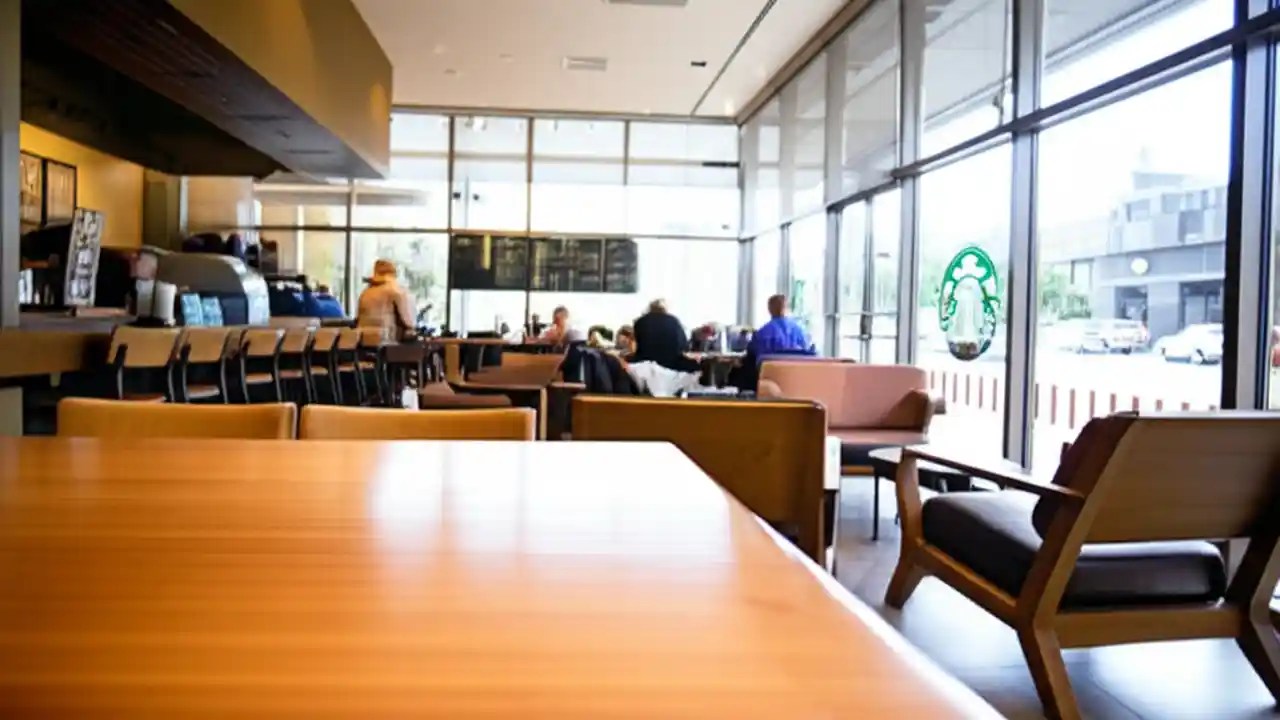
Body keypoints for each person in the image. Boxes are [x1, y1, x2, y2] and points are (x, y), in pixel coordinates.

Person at [356, 259, 416, 342]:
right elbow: (408, 321)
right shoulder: (396, 290)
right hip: (388, 340)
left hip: (363, 341)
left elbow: (358, 318)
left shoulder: (365, 292)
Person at [632, 299, 699, 372]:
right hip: (672, 364)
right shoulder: (673, 321)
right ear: (665, 309)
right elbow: (684, 346)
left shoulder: (640, 321)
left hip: (645, 363)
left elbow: (636, 345)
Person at [749, 294, 815, 356]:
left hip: (771, 368)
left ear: (769, 309)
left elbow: (752, 354)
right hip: (797, 367)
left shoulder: (761, 334)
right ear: (786, 308)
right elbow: (808, 352)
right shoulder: (800, 331)